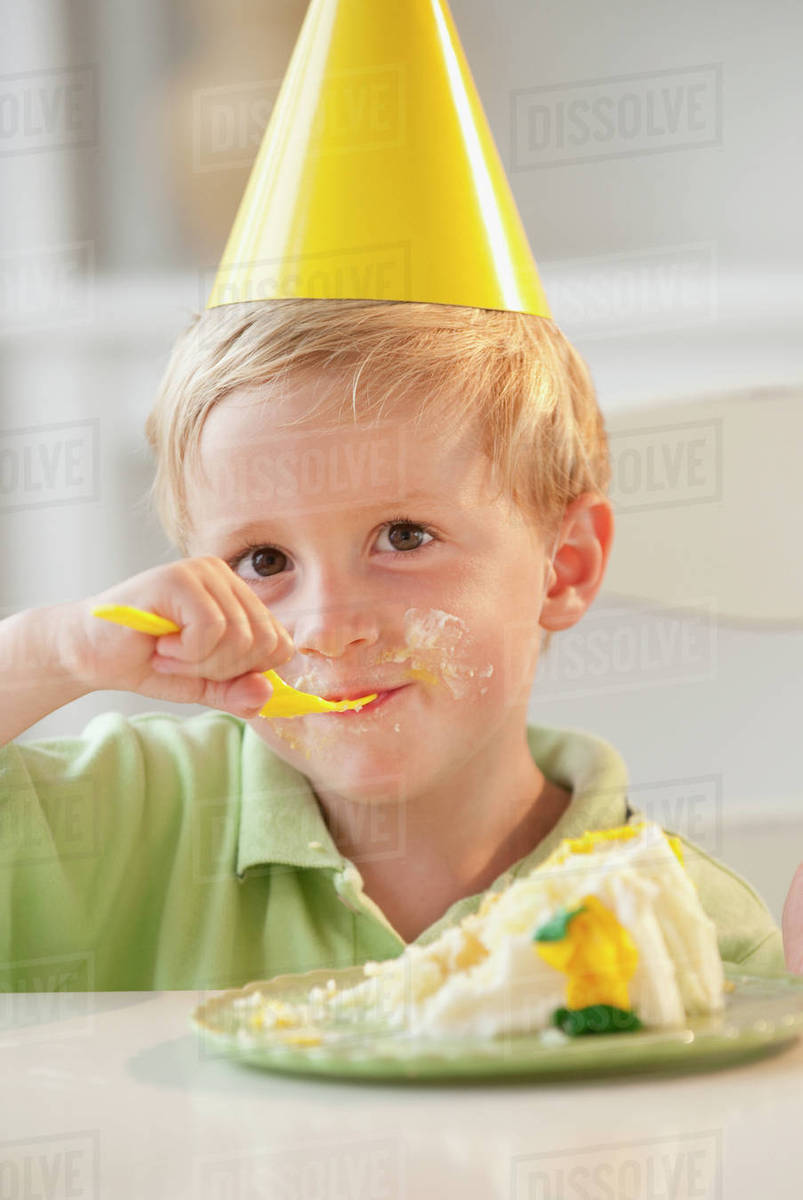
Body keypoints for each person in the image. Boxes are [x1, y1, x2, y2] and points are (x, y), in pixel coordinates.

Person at [0, 296, 792, 990]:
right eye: (264, 561)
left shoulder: (681, 924)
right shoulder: (117, 824)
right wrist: (53, 651)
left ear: (564, 569)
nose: (327, 624)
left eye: (404, 536)